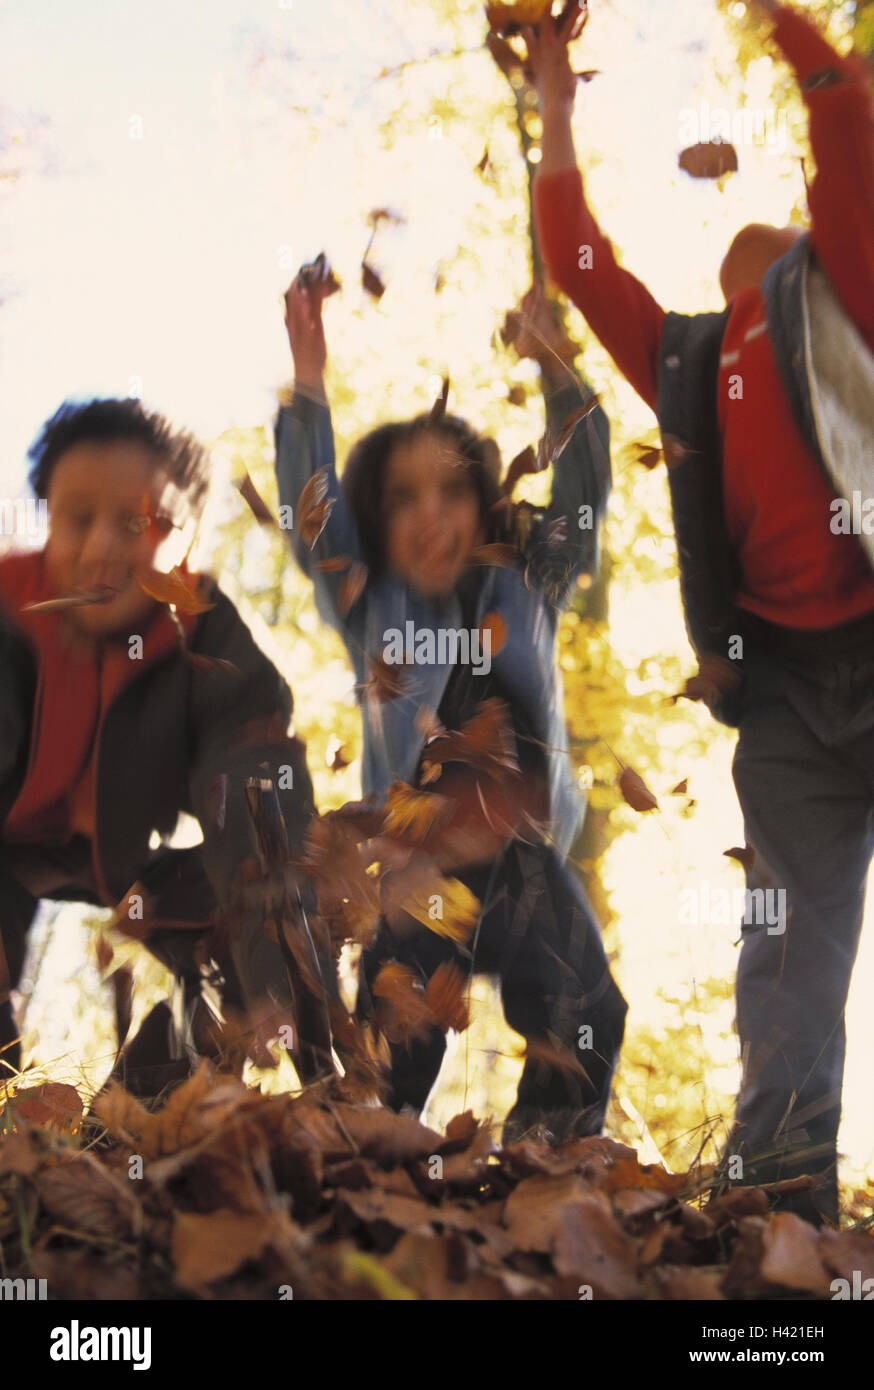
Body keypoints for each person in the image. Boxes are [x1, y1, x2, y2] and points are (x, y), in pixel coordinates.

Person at [528, 1, 874, 1220]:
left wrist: (789, 29)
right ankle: (780, 1174)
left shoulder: (837, 289)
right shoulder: (685, 358)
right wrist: (557, 95)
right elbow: (576, 264)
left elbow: (849, 154)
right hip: (784, 693)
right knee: (787, 935)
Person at [276, 273, 627, 1143]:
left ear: (485, 505)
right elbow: (312, 519)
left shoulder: (525, 574)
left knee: (583, 1001)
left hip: (521, 858)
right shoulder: (371, 603)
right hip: (420, 867)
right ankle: (371, 1140)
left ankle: (553, 1149)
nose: (431, 518)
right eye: (403, 500)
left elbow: (583, 492)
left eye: (451, 494)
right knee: (404, 1021)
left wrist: (555, 362)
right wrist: (308, 378)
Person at [0, 398, 318, 1095]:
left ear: (177, 537)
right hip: (11, 845)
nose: (100, 551)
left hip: (136, 860)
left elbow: (252, 759)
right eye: (76, 520)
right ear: (46, 521)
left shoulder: (198, 630)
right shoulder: (7, 614)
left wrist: (272, 945)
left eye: (135, 523)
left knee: (260, 905)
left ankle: (150, 1107)